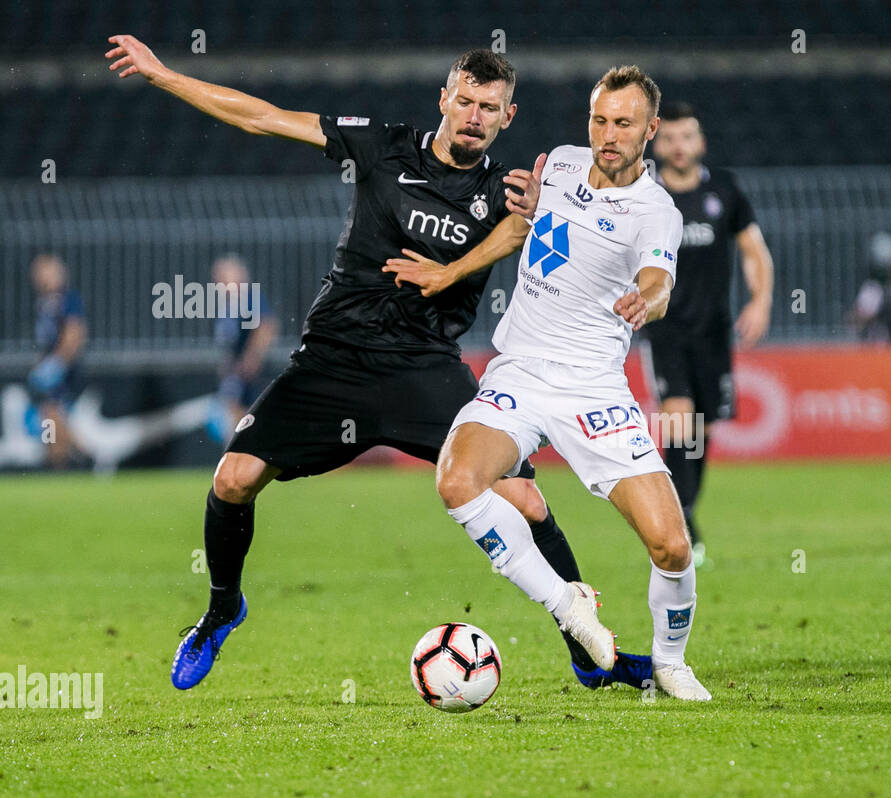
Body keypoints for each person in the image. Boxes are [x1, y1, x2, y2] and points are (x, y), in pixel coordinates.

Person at [106, 35, 625, 691]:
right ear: (445, 99)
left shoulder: (510, 192)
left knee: (523, 496)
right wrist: (164, 76)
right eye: (464, 100)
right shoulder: (381, 146)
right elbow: (263, 116)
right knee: (234, 478)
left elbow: (550, 230)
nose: (473, 115)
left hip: (424, 369)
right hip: (335, 360)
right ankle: (219, 610)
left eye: (489, 107)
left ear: (507, 118)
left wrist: (523, 228)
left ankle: (584, 645)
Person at [385, 66, 711, 700]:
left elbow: (659, 281)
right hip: (523, 372)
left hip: (594, 387)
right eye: (599, 120)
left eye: (623, 123)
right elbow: (528, 231)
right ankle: (568, 605)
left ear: (650, 130)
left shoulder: (656, 213)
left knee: (672, 547)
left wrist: (646, 300)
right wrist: (503, 234)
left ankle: (670, 663)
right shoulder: (559, 164)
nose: (607, 135)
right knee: (457, 480)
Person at [645, 102, 773, 569]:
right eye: (669, 138)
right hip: (665, 328)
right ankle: (680, 528)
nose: (678, 147)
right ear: (656, 143)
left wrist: (760, 301)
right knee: (678, 420)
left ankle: (685, 510)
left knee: (701, 429)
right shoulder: (645, 192)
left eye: (687, 137)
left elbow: (754, 250)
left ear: (700, 142)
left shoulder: (725, 189)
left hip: (714, 333)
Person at [209, 254, 279, 442]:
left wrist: (252, 357)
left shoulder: (249, 297)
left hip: (249, 370)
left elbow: (266, 325)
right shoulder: (230, 303)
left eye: (224, 276)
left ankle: (243, 452)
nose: (219, 282)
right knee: (235, 410)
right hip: (237, 370)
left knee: (246, 413)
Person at [28, 254, 88, 468]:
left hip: (64, 368)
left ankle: (86, 453)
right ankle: (58, 462)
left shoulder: (68, 299)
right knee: (50, 415)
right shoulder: (44, 302)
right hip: (51, 365)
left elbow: (75, 333)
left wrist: (58, 363)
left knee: (52, 414)